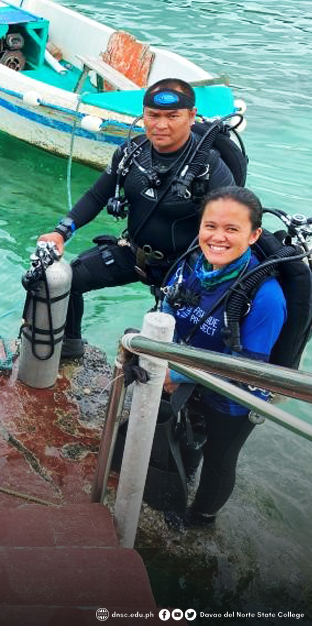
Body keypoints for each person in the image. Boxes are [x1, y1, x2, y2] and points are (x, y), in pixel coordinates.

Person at [38, 77, 236, 359]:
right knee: (68, 278)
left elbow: (233, 230)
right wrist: (61, 231)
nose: (161, 125)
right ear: (143, 115)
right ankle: (69, 347)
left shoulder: (209, 168)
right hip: (135, 254)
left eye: (173, 116)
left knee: (173, 337)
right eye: (153, 115)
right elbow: (96, 196)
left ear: (191, 116)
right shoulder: (131, 154)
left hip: (184, 268)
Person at [161, 187, 286, 527]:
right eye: (210, 226)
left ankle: (201, 522)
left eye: (232, 229)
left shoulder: (266, 298)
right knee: (186, 438)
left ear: (254, 235)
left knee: (218, 459)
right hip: (188, 373)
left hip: (234, 397)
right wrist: (164, 359)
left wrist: (177, 374)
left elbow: (245, 369)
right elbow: (167, 306)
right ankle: (179, 487)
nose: (218, 237)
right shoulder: (190, 264)